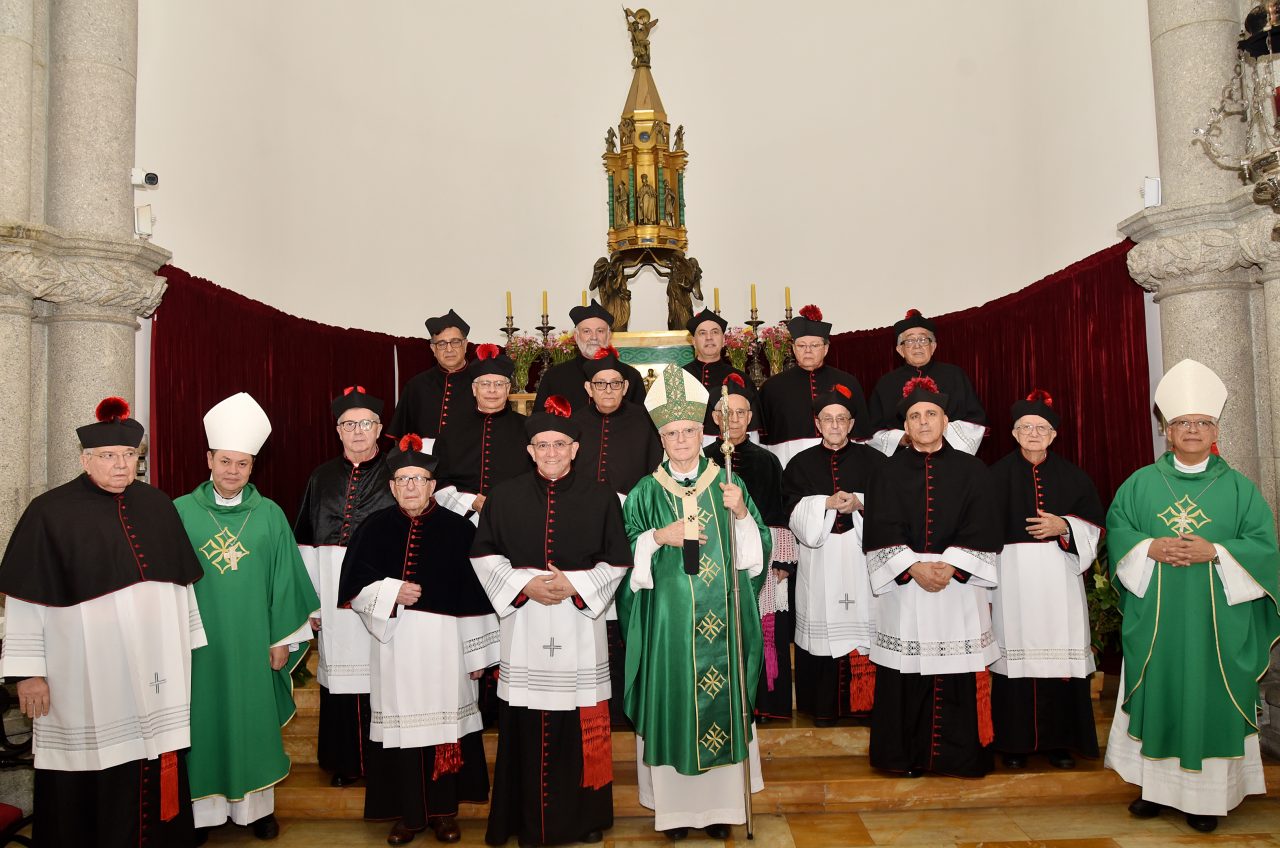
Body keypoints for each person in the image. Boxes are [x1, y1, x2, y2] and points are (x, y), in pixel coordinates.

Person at [0, 397, 205, 847]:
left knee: (154, 755)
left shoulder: (158, 505)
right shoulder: (49, 511)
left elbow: (181, 587)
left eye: (129, 455)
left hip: (156, 673)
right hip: (81, 678)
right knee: (87, 767)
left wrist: (185, 646)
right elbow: (25, 599)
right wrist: (29, 673)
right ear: (85, 459)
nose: (121, 465)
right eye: (108, 456)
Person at [1105, 359, 1280, 833]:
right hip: (1158, 619)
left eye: (1202, 423)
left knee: (1209, 692)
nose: (1193, 430)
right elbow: (1119, 531)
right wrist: (1149, 547)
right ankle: (1153, 789)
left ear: (1216, 430)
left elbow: (1264, 548)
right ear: (1167, 430)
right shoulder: (1140, 483)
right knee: (1159, 688)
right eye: (1183, 422)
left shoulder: (1240, 489)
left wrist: (1217, 551)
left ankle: (1207, 798)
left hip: (1216, 620)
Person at [471, 397, 633, 847]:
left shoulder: (601, 496)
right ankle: (522, 820)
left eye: (560, 444)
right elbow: (483, 553)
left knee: (580, 724)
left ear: (575, 448)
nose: (551, 452)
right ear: (530, 451)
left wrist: (575, 585)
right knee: (525, 723)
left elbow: (619, 559)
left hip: (579, 623)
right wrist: (525, 586)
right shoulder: (503, 496)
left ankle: (585, 818)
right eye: (542, 445)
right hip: (524, 623)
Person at [618, 365, 771, 841]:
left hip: (723, 618)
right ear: (661, 439)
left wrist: (741, 514)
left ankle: (723, 809)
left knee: (723, 704)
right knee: (674, 705)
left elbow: (755, 555)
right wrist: (656, 538)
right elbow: (622, 555)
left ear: (702, 433)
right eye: (672, 433)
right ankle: (675, 814)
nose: (681, 440)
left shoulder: (728, 484)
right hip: (667, 628)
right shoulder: (645, 492)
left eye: (688, 431)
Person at [338, 434, 499, 845]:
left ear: (432, 485)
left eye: (419, 480)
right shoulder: (373, 529)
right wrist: (391, 592)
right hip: (394, 646)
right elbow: (353, 589)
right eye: (402, 480)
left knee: (446, 729)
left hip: (447, 647)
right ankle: (408, 816)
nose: (410, 486)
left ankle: (444, 813)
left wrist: (478, 655)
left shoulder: (459, 530)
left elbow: (478, 595)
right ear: (392, 487)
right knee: (403, 732)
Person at [175, 392, 321, 840]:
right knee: (204, 722)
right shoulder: (179, 512)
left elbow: (286, 580)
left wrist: (282, 640)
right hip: (197, 644)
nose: (233, 471)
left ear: (253, 466)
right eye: (225, 461)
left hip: (256, 642)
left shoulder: (270, 515)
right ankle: (202, 814)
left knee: (252, 721)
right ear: (209, 459)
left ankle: (255, 811)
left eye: (242, 463)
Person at [862, 376, 1001, 778]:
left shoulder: (974, 470)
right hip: (906, 589)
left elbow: (983, 525)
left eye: (931, 414)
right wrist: (912, 566)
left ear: (945, 421)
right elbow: (879, 528)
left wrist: (952, 565)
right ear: (905, 425)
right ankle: (904, 757)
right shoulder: (885, 472)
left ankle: (961, 758)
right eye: (915, 416)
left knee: (958, 675)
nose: (923, 422)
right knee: (905, 675)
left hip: (959, 589)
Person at [989, 390, 1103, 770]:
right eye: (1026, 428)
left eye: (1042, 428)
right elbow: (979, 529)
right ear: (1014, 433)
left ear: (1053, 435)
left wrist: (1064, 526)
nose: (1034, 434)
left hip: (1059, 580)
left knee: (1059, 658)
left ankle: (1060, 743)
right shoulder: (993, 477)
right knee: (1014, 659)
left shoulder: (1075, 477)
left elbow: (1094, 529)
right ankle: (1014, 743)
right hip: (1011, 579)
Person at [293, 386, 396, 789]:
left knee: (383, 675)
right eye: (349, 425)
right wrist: (311, 604)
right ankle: (346, 762)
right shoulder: (321, 477)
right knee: (340, 680)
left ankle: (385, 761)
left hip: (382, 590)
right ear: (337, 431)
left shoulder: (397, 473)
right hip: (332, 591)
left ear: (379, 429)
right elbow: (305, 542)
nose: (357, 432)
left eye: (365, 424)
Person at [782, 384, 886, 726]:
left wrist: (861, 503)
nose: (836, 425)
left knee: (864, 627)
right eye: (828, 419)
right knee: (822, 629)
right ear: (818, 424)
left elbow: (893, 504)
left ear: (852, 423)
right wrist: (823, 504)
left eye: (842, 419)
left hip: (860, 556)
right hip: (820, 558)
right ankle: (823, 708)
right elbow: (789, 509)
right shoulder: (800, 464)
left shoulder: (875, 461)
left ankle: (865, 706)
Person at [705, 375, 795, 723]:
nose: (733, 419)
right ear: (715, 418)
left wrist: (783, 561)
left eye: (740, 413)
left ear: (750, 418)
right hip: (717, 561)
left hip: (763, 560)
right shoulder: (702, 461)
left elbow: (780, 513)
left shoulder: (767, 461)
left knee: (764, 628)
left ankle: (765, 704)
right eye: (726, 413)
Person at [759, 304, 869, 468]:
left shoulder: (848, 381)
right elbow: (763, 440)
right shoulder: (772, 387)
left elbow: (861, 433)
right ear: (793, 349)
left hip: (842, 461)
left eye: (815, 345)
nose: (808, 350)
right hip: (788, 462)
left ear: (826, 348)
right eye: (801, 345)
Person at [865, 309, 986, 456]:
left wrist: (937, 435)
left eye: (923, 339)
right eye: (910, 340)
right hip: (903, 459)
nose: (917, 345)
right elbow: (872, 431)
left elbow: (975, 421)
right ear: (900, 350)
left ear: (933, 346)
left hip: (950, 455)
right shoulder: (886, 384)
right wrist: (902, 438)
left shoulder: (955, 375)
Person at [433, 345, 530, 523]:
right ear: (474, 389)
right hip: (462, 518)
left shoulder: (527, 428)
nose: (492, 390)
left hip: (515, 517)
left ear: (508, 389)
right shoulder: (451, 431)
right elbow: (438, 481)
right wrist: (471, 502)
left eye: (499, 384)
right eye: (485, 384)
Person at [571, 346, 663, 501]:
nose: (608, 390)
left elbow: (656, 469)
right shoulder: (574, 423)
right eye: (600, 384)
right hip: (583, 503)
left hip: (633, 504)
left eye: (615, 383)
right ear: (589, 388)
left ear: (625, 387)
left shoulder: (646, 420)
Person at [534, 300, 646, 411]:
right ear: (576, 336)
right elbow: (539, 420)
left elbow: (642, 420)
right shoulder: (554, 377)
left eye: (600, 331)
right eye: (587, 331)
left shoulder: (631, 376)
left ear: (608, 336)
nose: (594, 337)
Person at [388, 309, 472, 451]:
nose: (449, 349)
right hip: (424, 463)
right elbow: (400, 439)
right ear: (433, 349)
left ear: (465, 345)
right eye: (441, 344)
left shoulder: (482, 382)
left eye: (455, 342)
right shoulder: (416, 386)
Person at [682, 307, 761, 443]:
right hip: (686, 446)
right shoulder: (679, 377)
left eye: (715, 332)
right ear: (693, 341)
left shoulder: (741, 378)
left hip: (729, 446)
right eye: (702, 333)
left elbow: (752, 432)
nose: (709, 338)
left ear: (723, 340)